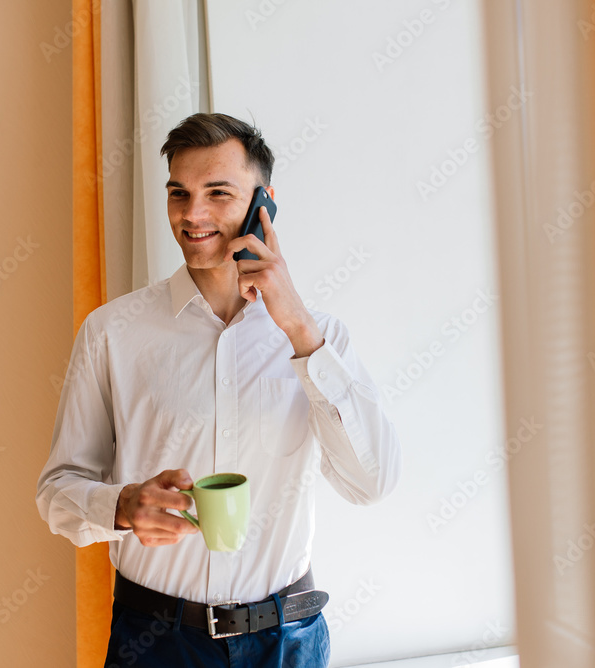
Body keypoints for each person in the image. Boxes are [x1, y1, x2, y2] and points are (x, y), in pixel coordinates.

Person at [37, 112, 401, 667]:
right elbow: (57, 490)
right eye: (178, 193)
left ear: (264, 203)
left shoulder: (319, 338)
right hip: (155, 642)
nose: (193, 214)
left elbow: (371, 482)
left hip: (288, 640)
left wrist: (300, 329)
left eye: (219, 193)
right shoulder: (113, 333)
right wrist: (122, 506)